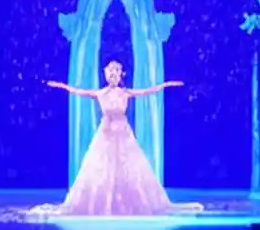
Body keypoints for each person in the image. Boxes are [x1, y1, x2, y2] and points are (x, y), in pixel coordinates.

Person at [34, 60, 204, 216]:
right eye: (110, 72)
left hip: (123, 134)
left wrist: (166, 84)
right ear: (106, 74)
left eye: (116, 72)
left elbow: (147, 91)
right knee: (102, 167)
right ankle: (103, 203)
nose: (113, 75)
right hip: (106, 134)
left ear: (120, 75)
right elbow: (79, 91)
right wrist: (61, 86)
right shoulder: (101, 93)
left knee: (129, 168)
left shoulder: (125, 93)